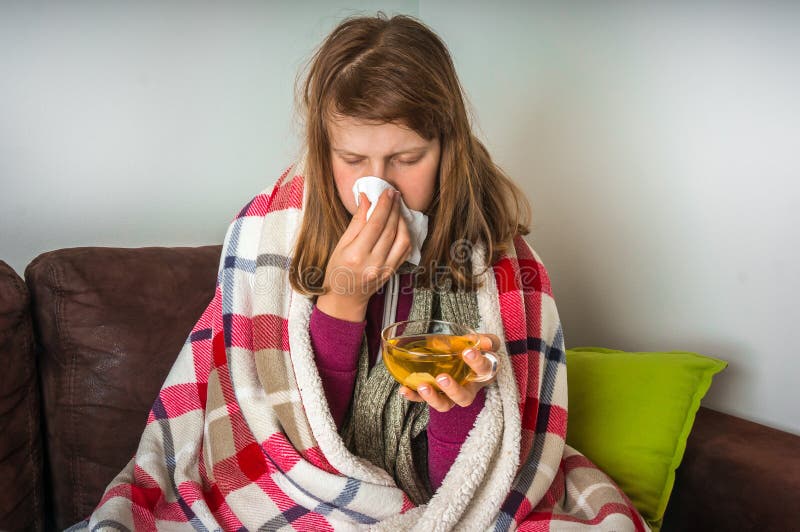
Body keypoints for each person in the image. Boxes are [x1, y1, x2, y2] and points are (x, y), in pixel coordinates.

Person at [69, 12, 648, 531]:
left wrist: (464, 408)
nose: (380, 184)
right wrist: (343, 300)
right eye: (353, 161)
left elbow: (467, 488)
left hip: (432, 496)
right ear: (324, 153)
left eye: (406, 158)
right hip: (306, 492)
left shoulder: (503, 268)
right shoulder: (269, 233)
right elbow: (289, 436)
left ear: (448, 147)